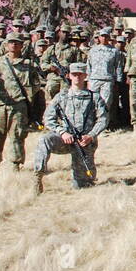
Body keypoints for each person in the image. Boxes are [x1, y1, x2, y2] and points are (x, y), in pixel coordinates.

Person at [32, 62, 108, 192]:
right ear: (69, 76)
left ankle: (83, 178)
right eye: (74, 74)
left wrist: (91, 135)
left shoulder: (94, 97)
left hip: (85, 142)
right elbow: (48, 118)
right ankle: (37, 177)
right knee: (44, 140)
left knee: (83, 186)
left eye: (80, 74)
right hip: (66, 139)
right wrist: (62, 132)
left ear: (85, 76)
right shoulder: (62, 96)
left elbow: (103, 119)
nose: (77, 77)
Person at [0, 33, 40, 174]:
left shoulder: (28, 65)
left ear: (22, 45)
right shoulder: (1, 62)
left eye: (17, 43)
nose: (14, 45)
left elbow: (36, 83)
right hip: (2, 105)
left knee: (17, 136)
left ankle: (15, 166)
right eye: (11, 42)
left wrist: (27, 96)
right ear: (6, 44)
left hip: (19, 106)